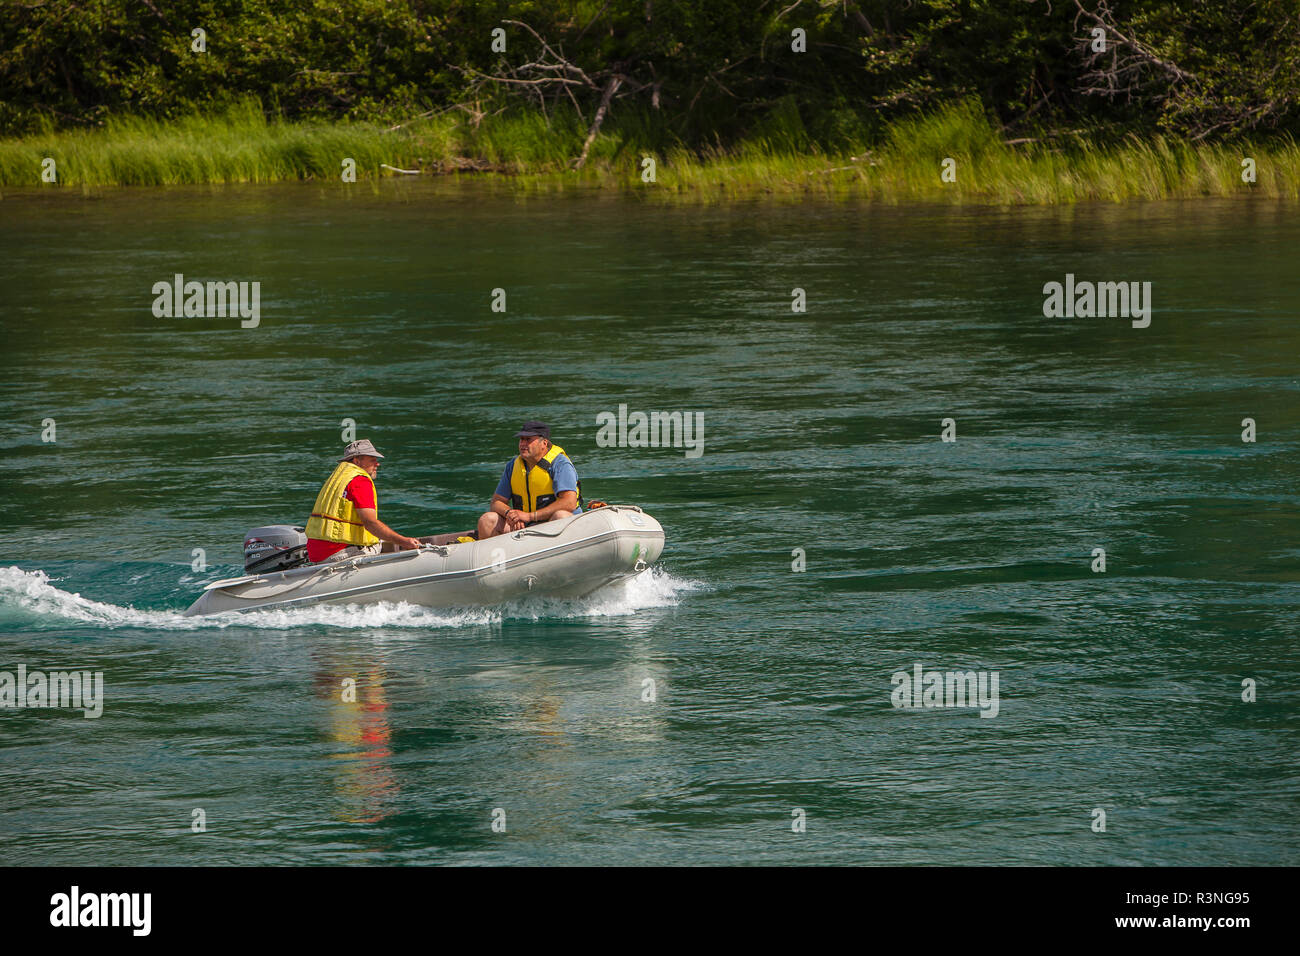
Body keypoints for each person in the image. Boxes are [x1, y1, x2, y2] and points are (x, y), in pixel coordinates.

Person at [305, 439, 423, 562]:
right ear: (357, 461)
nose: (377, 464)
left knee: (379, 539)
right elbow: (370, 523)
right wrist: (403, 541)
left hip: (317, 553)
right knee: (378, 543)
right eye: (372, 459)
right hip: (338, 553)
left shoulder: (338, 478)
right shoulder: (360, 480)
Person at [477, 421, 582, 539]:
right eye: (521, 439)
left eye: (528, 439)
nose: (523, 444)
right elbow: (496, 502)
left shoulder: (560, 464)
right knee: (487, 520)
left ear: (544, 443)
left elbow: (569, 502)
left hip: (550, 524)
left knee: (561, 516)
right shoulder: (512, 466)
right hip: (524, 527)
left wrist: (530, 516)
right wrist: (511, 514)